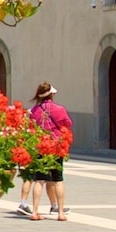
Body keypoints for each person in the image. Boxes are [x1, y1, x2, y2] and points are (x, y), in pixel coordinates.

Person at [23, 82, 72, 221]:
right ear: (51, 95)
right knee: (58, 180)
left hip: (40, 146)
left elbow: (30, 126)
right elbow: (68, 123)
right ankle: (60, 213)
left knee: (39, 180)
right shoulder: (59, 109)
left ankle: (35, 212)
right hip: (56, 146)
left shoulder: (34, 110)